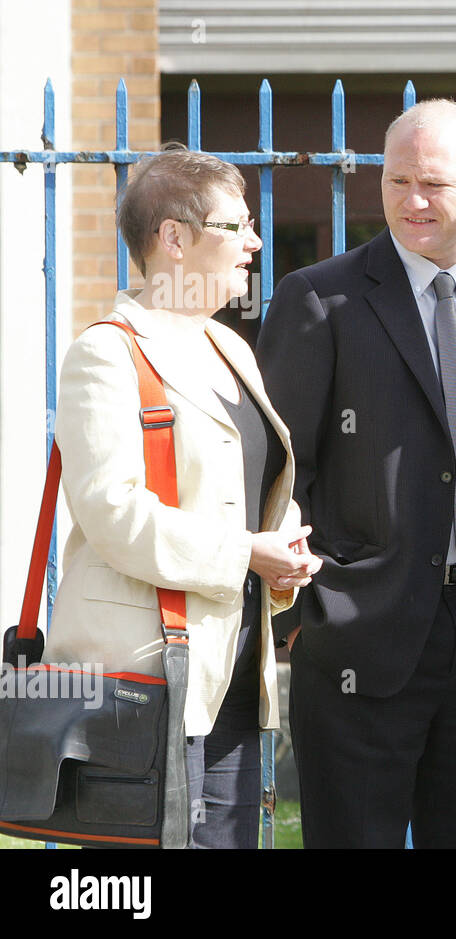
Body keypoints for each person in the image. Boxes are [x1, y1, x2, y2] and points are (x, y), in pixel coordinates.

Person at [256, 99, 456, 848]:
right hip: (360, 636)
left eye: (433, 183)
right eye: (396, 180)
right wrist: (310, 609)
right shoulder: (322, 300)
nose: (412, 201)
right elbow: (280, 470)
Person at [44, 147, 321, 849]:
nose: (255, 242)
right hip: (145, 678)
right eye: (237, 225)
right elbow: (113, 511)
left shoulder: (231, 348)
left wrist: (282, 551)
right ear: (173, 237)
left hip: (231, 675)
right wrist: (245, 553)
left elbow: (244, 483)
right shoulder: (106, 353)